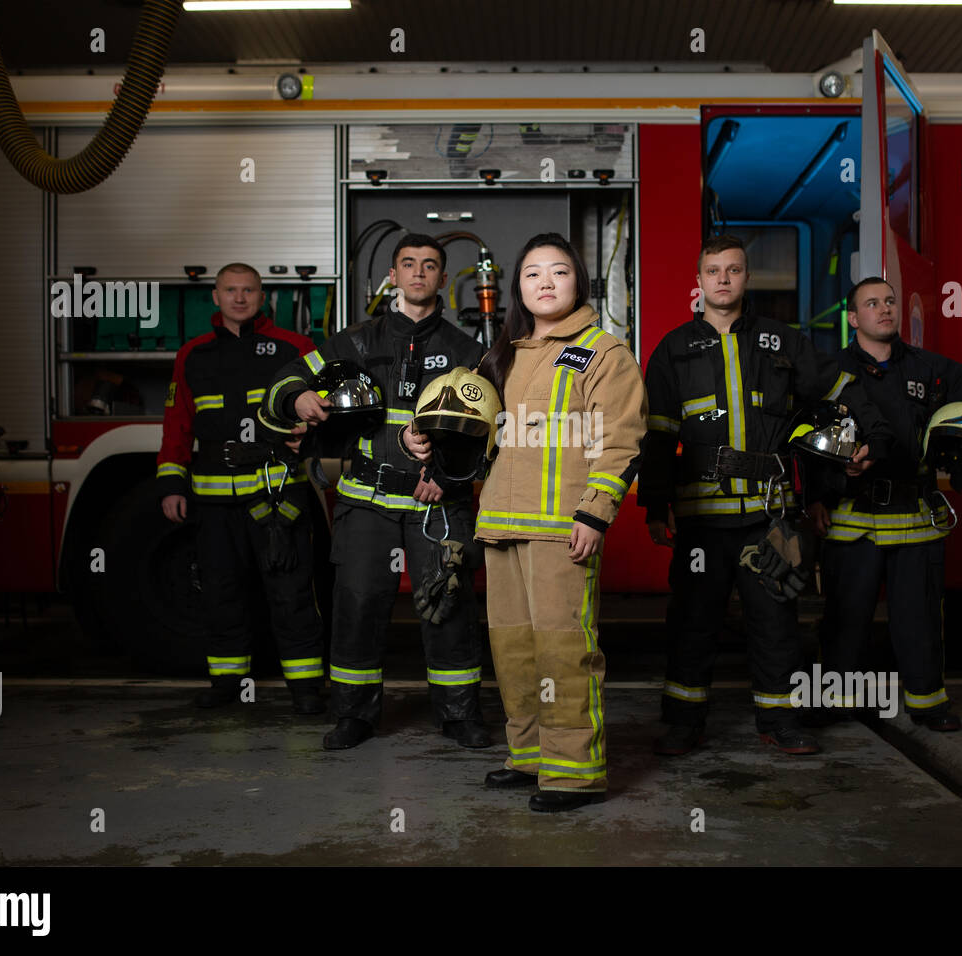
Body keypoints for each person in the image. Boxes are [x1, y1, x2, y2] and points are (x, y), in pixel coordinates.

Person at [409, 232, 646, 813]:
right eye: (533, 272)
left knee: (564, 652)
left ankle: (573, 774)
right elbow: (466, 426)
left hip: (562, 532)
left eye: (559, 272)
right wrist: (417, 438)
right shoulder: (502, 355)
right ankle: (532, 756)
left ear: (578, 283)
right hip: (501, 530)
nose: (545, 282)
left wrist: (595, 513)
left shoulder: (603, 353)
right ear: (518, 287)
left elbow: (621, 441)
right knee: (514, 654)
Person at [638, 235, 892, 756]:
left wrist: (874, 438)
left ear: (746, 278)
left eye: (733, 270)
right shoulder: (672, 349)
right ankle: (685, 722)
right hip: (701, 521)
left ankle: (780, 721)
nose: (724, 279)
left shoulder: (783, 342)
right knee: (692, 622)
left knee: (776, 622)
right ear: (700, 281)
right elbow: (659, 435)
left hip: (768, 518)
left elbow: (842, 387)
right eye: (714, 270)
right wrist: (654, 506)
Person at [265, 233, 489, 751]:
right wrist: (299, 397)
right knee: (357, 605)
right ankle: (353, 715)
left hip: (437, 502)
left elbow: (490, 435)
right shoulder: (354, 343)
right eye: (408, 264)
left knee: (450, 607)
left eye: (429, 266)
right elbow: (284, 383)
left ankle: (459, 714)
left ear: (441, 278)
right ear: (393, 275)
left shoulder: (467, 352)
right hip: (366, 500)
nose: (418, 273)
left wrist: (450, 475)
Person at [809, 277, 962, 730]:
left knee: (920, 620)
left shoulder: (931, 369)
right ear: (853, 319)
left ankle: (929, 705)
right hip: (853, 519)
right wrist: (814, 497)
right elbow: (806, 439)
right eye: (871, 303)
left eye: (889, 301)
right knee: (844, 621)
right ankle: (834, 703)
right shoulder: (829, 371)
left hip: (916, 520)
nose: (884, 309)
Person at [156, 262, 325, 714]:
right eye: (230, 290)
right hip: (213, 501)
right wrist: (172, 483)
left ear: (262, 295)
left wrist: (307, 434)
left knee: (290, 591)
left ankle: (306, 689)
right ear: (215, 296)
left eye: (248, 290)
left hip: (276, 495)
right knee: (220, 591)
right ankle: (226, 682)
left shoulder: (296, 348)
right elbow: (177, 425)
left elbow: (326, 408)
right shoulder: (192, 355)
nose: (239, 298)